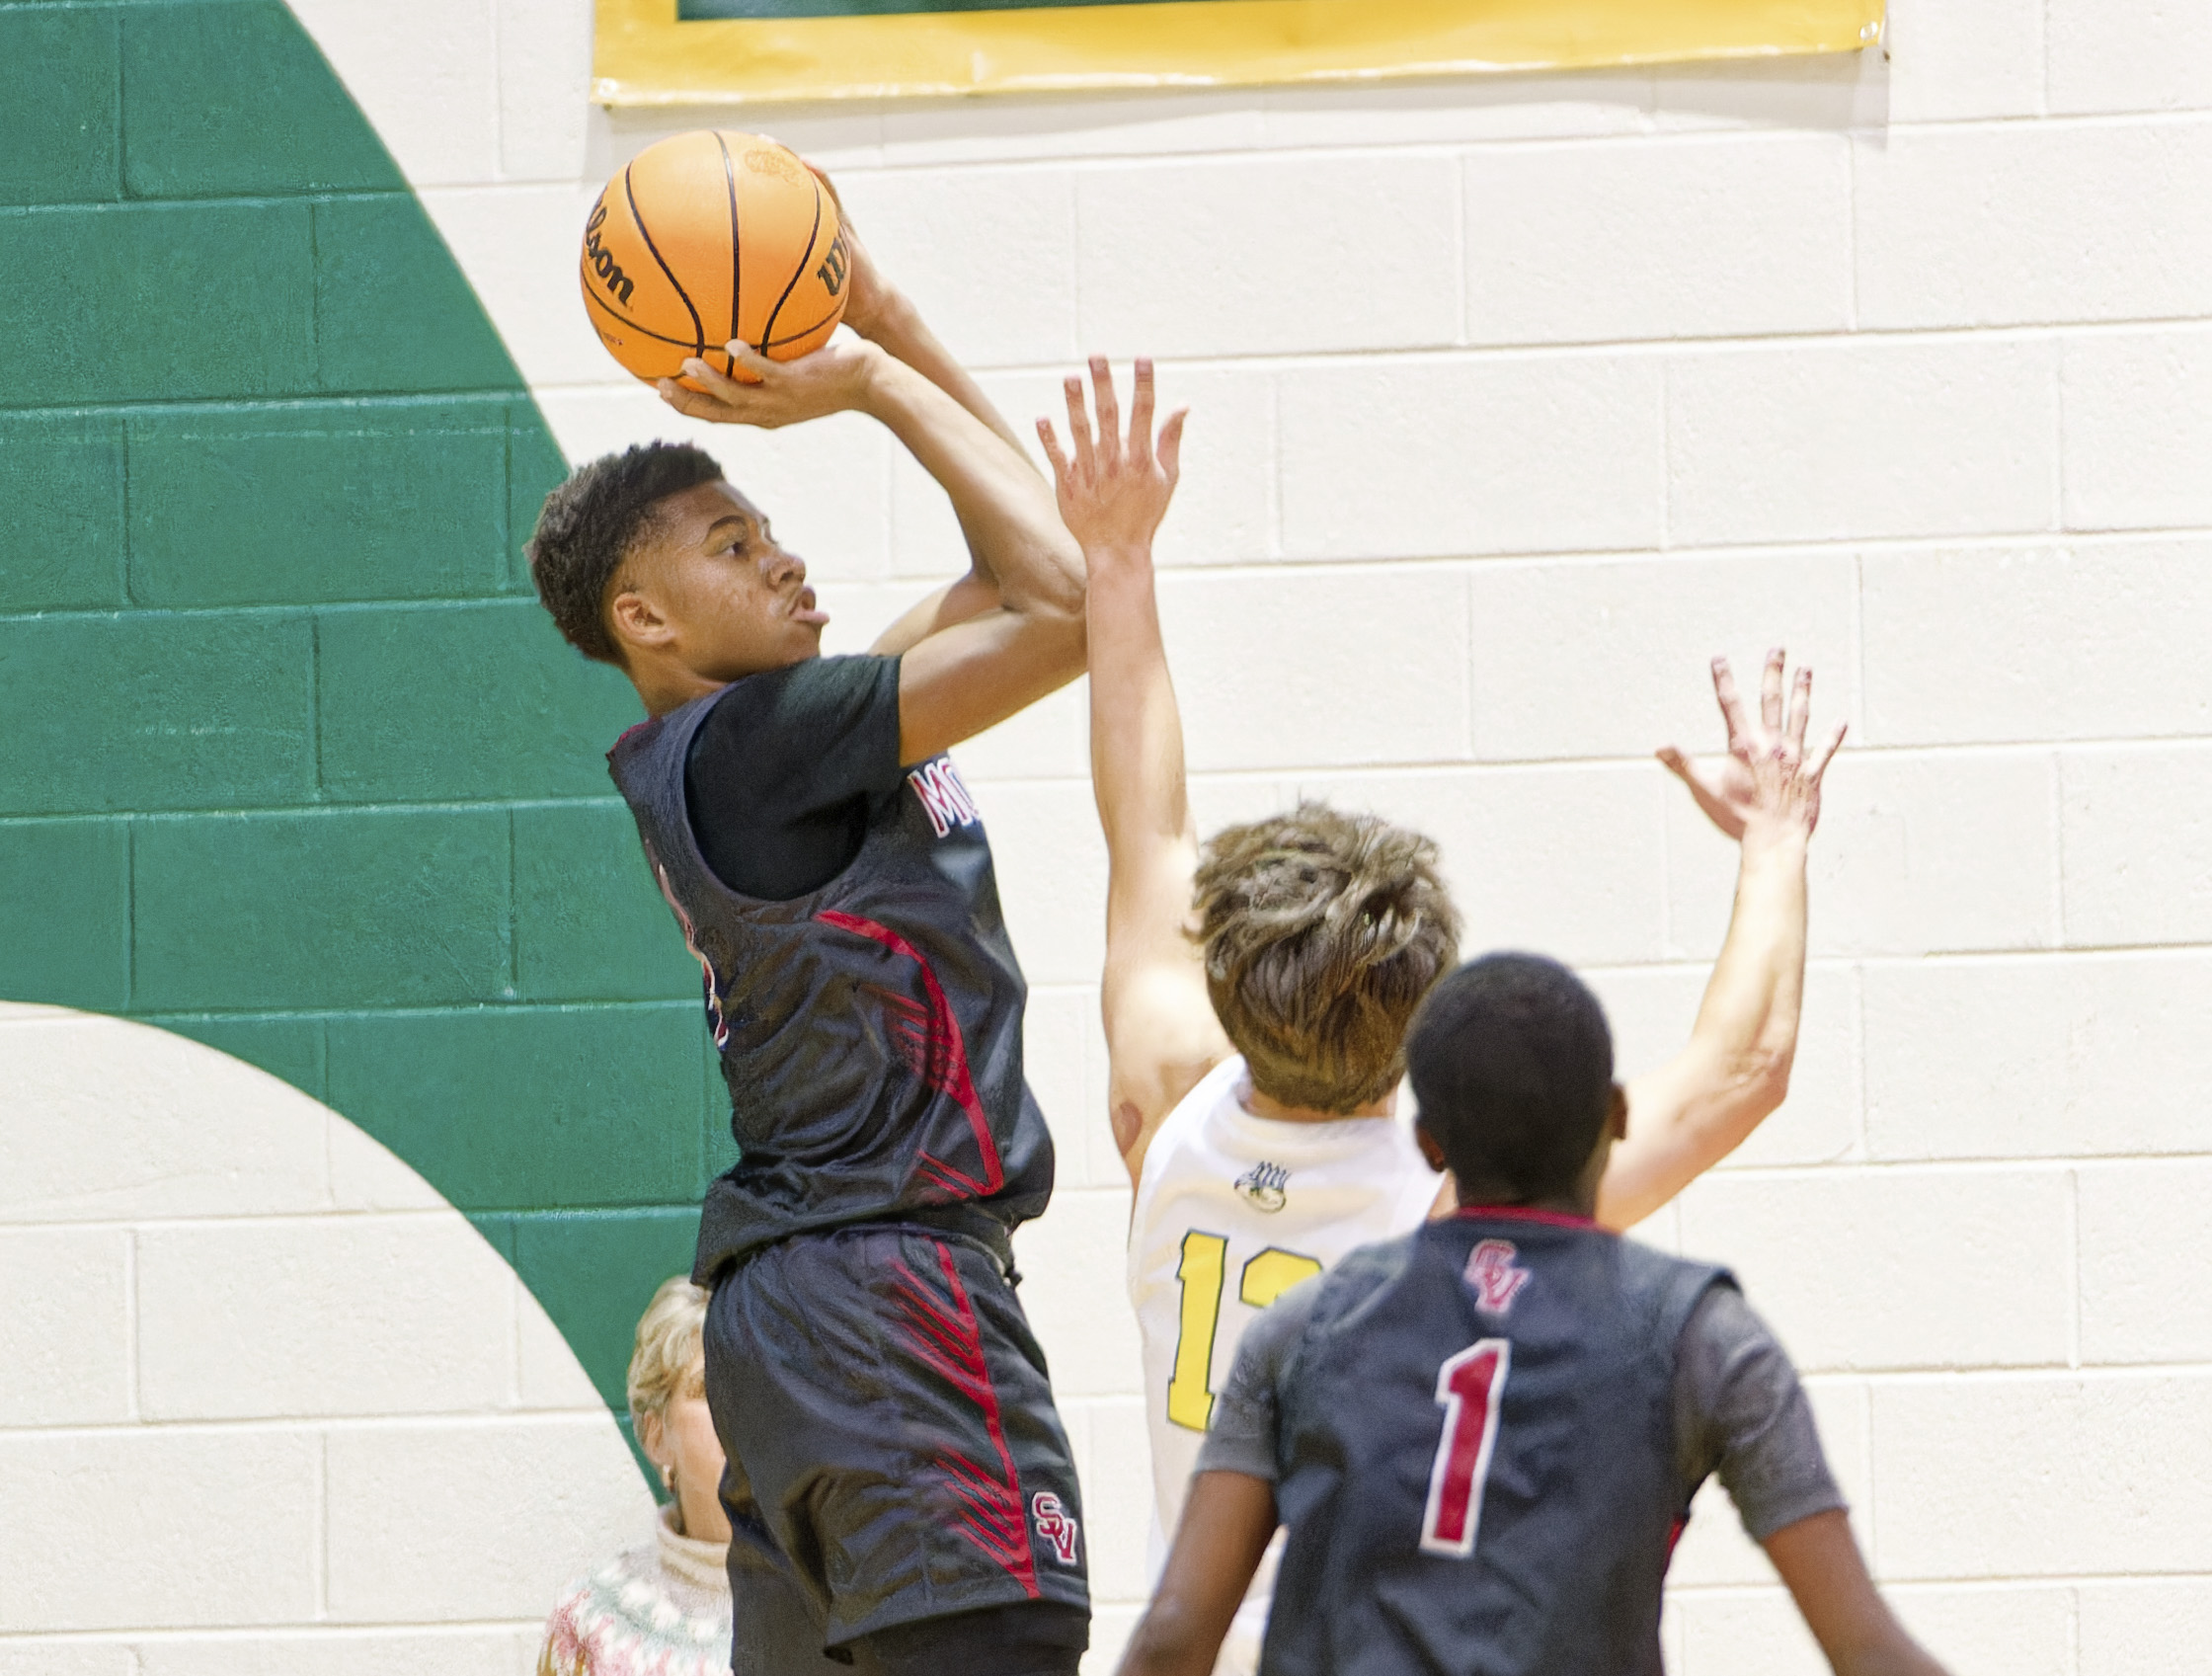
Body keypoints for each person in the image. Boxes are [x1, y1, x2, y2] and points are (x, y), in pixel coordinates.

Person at [1037, 359, 1839, 1674]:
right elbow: (1736, 1073)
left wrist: (1115, 556)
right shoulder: (1449, 1213)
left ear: (1225, 980)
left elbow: (1147, 823)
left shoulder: (1162, 1101)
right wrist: (1773, 840)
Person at [525, 195, 1094, 1676]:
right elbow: (1073, 601)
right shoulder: (759, 742)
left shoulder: (769, 743)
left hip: (796, 1307)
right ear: (643, 617)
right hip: (887, 1292)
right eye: (734, 541)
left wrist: (886, 319)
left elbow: (1040, 551)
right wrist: (870, 379)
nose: (783, 560)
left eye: (772, 529)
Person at [1116, 954, 1953, 1676]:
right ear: (1616, 1117)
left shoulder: (1302, 1327)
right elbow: (1868, 1652)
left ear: (1429, 1144)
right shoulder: (1701, 1336)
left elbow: (1174, 1637)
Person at [541, 1277, 734, 1676]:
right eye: (707, 1387)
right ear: (656, 1436)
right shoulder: (590, 1622)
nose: (737, 1409)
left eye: (752, 1386)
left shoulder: (838, 1604)